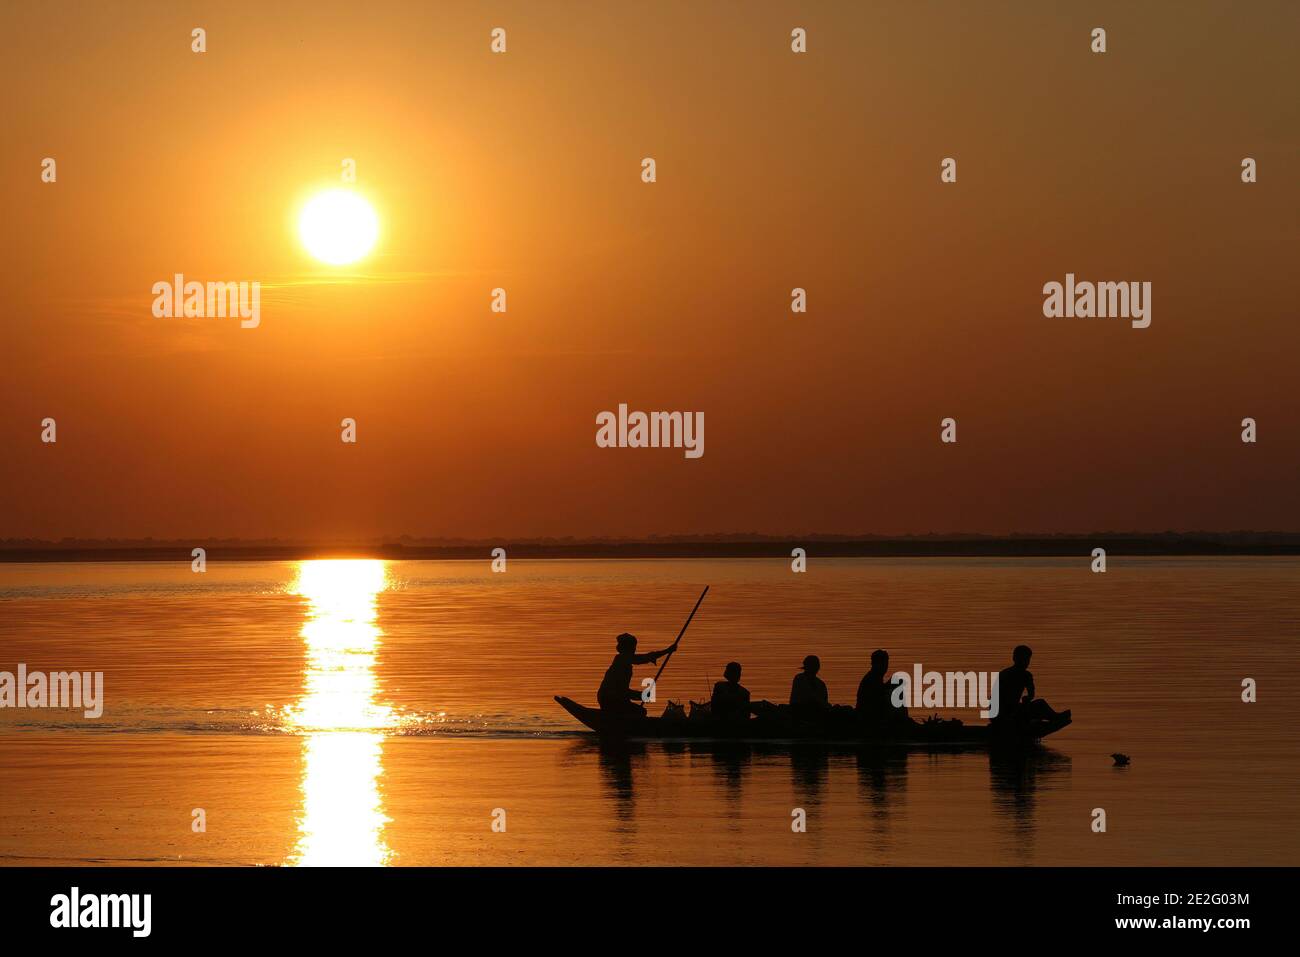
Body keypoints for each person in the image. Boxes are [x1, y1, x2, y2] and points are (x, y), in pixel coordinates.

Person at [597, 632, 677, 717]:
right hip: (609, 699)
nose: (634, 650)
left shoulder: (623, 662)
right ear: (626, 648)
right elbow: (621, 691)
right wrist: (641, 696)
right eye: (632, 647)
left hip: (615, 698)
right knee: (640, 712)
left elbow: (642, 659)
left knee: (640, 711)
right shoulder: (621, 660)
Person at [994, 644, 1069, 726]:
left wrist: (1025, 700)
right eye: (1025, 659)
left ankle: (1052, 717)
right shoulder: (1025, 675)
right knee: (1040, 703)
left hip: (997, 715)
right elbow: (1030, 695)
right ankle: (1054, 717)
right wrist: (1026, 700)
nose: (1026, 662)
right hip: (1006, 715)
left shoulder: (1004, 673)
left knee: (1034, 706)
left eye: (1027, 659)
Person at [855, 648, 909, 726]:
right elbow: (877, 695)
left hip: (872, 711)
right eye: (883, 663)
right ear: (875, 664)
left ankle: (902, 720)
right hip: (869, 714)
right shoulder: (872, 678)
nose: (885, 667)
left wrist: (891, 683)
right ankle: (902, 721)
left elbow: (880, 690)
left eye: (886, 663)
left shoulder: (875, 676)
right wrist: (891, 684)